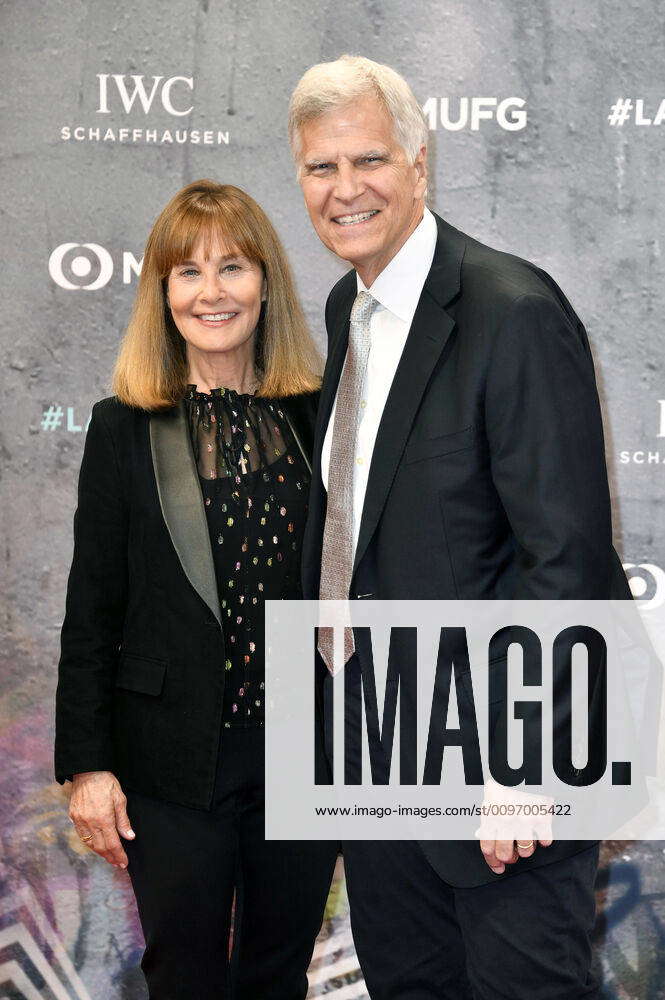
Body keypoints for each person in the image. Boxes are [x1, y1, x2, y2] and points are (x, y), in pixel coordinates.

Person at [289, 55, 632, 999]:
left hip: (498, 776)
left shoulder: (511, 309)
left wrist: (525, 764)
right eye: (320, 168)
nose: (345, 189)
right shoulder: (346, 309)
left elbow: (565, 557)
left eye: (369, 160)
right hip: (382, 754)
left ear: (419, 164)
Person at [54, 179, 338, 999]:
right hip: (168, 762)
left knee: (278, 973)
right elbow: (91, 607)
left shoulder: (320, 418)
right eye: (188, 272)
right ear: (162, 293)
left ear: (265, 284)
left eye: (233, 267)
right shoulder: (123, 427)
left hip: (302, 754)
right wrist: (88, 766)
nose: (212, 292)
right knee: (183, 975)